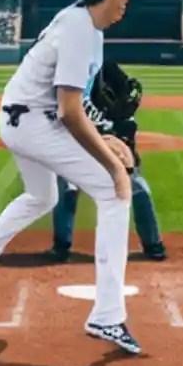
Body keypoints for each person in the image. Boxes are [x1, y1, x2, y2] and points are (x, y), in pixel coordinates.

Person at [0, 0, 141, 355]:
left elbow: (75, 103)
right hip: (32, 123)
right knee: (114, 190)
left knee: (44, 197)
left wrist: (106, 137)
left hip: (25, 117)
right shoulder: (80, 29)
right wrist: (113, 166)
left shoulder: (84, 26)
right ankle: (107, 316)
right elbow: (68, 111)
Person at [46, 60, 166, 263]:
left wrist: (121, 151)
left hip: (110, 147)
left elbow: (131, 91)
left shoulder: (106, 71)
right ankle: (61, 246)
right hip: (79, 147)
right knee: (67, 186)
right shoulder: (67, 79)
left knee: (139, 188)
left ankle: (153, 245)